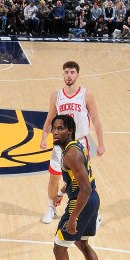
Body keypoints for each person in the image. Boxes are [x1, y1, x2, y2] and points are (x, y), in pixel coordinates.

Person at [41, 114, 114, 260]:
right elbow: (80, 178)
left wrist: (73, 218)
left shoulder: (70, 154)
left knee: (59, 247)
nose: (55, 132)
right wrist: (62, 192)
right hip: (92, 200)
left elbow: (85, 188)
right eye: (54, 128)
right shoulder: (76, 147)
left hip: (82, 201)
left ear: (70, 131)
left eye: (60, 128)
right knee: (82, 243)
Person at [38, 61, 105, 224]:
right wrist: (43, 138)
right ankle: (51, 207)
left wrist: (101, 143)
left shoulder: (86, 94)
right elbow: (49, 118)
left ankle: (94, 213)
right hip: (60, 144)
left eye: (72, 72)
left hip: (80, 143)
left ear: (78, 74)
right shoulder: (56, 96)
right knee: (54, 177)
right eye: (66, 72)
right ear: (63, 74)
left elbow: (96, 119)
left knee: (85, 179)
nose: (69, 75)